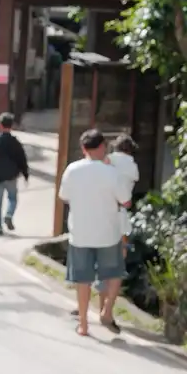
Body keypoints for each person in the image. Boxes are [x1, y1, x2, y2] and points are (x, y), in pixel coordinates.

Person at [59, 128, 132, 337]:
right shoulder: (111, 173)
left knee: (82, 280)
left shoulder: (72, 170)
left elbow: (63, 196)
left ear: (83, 149)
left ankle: (83, 324)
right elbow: (126, 201)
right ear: (103, 147)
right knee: (115, 273)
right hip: (108, 233)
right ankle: (107, 311)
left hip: (80, 233)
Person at [0, 112, 29, 235]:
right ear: (11, 126)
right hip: (11, 176)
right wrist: (25, 174)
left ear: (0, 125)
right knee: (13, 198)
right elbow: (22, 159)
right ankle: (9, 214)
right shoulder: (15, 142)